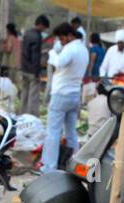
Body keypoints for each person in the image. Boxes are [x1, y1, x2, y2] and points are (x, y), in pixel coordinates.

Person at [41, 22, 85, 172]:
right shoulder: (83, 49)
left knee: (53, 132)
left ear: (69, 36)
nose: (61, 42)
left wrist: (52, 52)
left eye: (61, 38)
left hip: (61, 95)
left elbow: (59, 62)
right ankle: (75, 164)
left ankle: (49, 167)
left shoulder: (70, 48)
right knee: (71, 132)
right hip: (75, 94)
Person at [20, 15, 48, 116]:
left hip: (24, 68)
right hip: (33, 70)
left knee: (24, 93)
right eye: (44, 28)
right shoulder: (37, 36)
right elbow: (35, 56)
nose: (44, 30)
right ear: (40, 25)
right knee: (33, 96)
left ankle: (22, 114)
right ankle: (31, 116)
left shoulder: (27, 34)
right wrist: (37, 72)